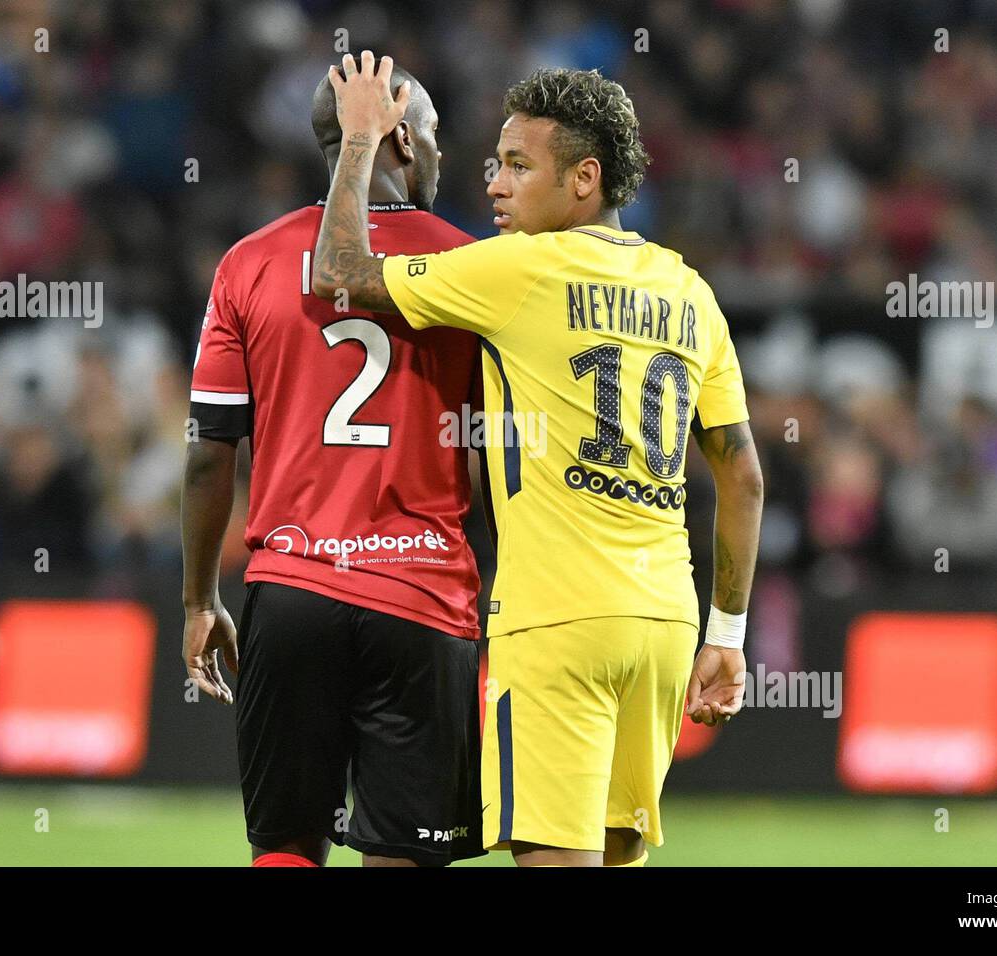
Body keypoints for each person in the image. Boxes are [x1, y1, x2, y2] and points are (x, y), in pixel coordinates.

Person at [313, 53, 764, 867]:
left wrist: (357, 142)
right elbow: (742, 472)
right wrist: (726, 633)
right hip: (665, 622)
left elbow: (339, 274)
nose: (495, 185)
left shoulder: (522, 269)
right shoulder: (688, 289)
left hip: (555, 620)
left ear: (584, 179)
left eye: (519, 167)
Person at [181, 61, 485, 867]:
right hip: (423, 599)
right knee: (403, 854)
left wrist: (198, 598)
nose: (446, 158)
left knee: (285, 846)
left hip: (292, 594)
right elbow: (498, 462)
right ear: (405, 143)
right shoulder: (473, 269)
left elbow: (211, 453)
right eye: (435, 136)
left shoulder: (246, 263)